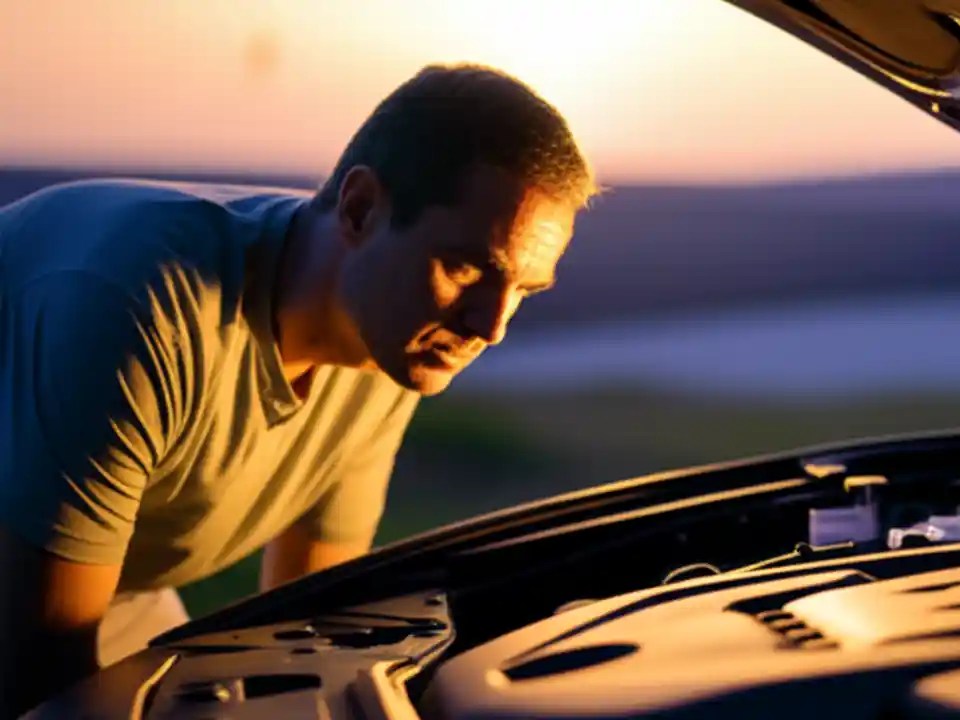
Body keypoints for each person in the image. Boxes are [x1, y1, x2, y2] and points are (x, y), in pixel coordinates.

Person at [0, 63, 597, 716]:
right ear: (361, 208)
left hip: (104, 591)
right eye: (466, 268)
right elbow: (45, 684)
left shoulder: (392, 340)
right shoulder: (141, 309)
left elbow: (311, 644)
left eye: (524, 292)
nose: (491, 326)